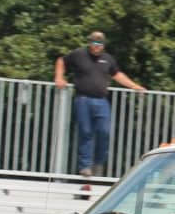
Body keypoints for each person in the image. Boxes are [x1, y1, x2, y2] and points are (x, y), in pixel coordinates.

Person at [55, 31, 144, 176]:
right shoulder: (79, 54)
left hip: (101, 101)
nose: (97, 46)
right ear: (90, 43)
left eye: (100, 44)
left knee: (105, 132)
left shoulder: (107, 59)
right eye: (95, 43)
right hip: (83, 99)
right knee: (86, 132)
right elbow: (61, 61)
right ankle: (85, 166)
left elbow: (117, 74)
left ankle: (98, 163)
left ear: (103, 45)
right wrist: (59, 77)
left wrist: (134, 86)